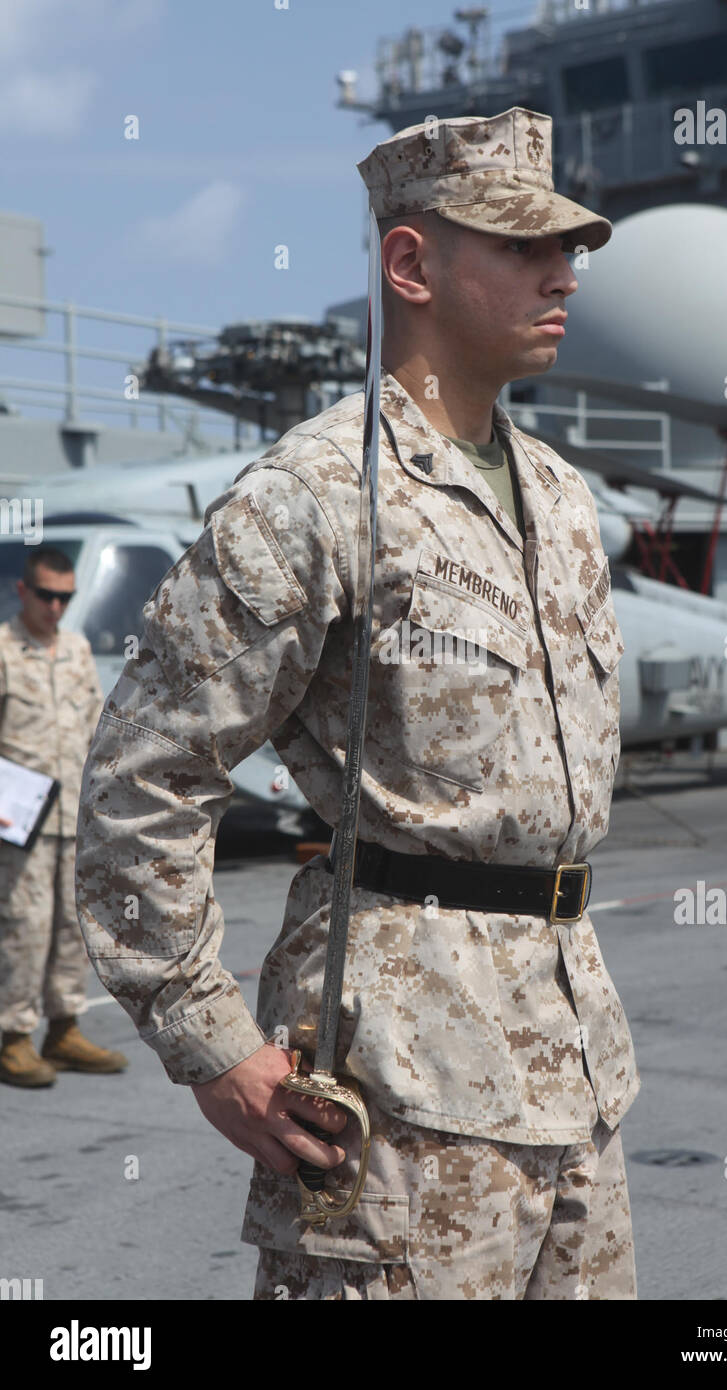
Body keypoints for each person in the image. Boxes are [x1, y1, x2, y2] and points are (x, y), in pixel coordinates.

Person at [75, 107, 640, 1299]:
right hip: (397, 1111)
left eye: (569, 247)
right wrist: (213, 1043)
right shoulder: (313, 496)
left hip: (578, 1077)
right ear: (410, 264)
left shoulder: (560, 496)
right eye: (522, 245)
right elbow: (142, 778)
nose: (562, 272)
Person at [0, 546, 127, 1086]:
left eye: (65, 597)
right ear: (23, 591)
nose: (56, 607)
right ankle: (12, 1037)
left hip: (73, 815)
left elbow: (97, 732)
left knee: (72, 926)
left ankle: (64, 1028)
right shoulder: (4, 650)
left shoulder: (76, 651)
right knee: (24, 927)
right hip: (16, 820)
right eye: (47, 595)